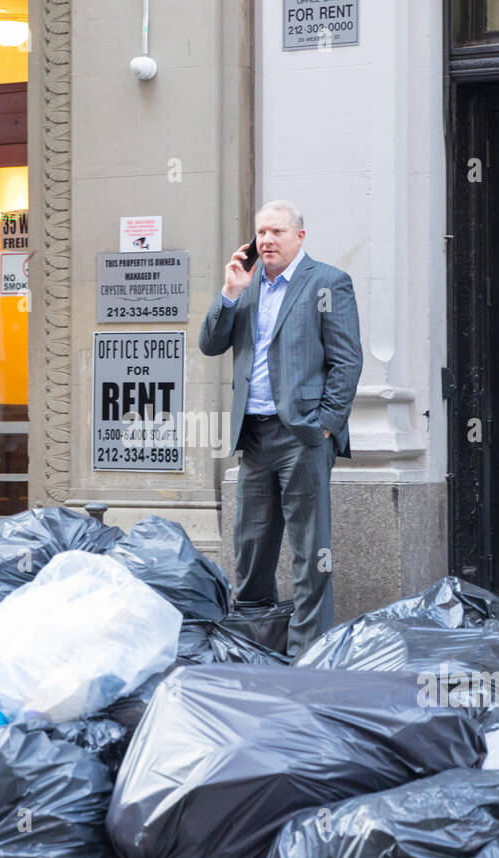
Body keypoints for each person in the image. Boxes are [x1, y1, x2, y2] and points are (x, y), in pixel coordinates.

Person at [199, 200, 362, 654]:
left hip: (303, 436)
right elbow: (210, 343)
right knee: (251, 543)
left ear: (299, 236)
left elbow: (347, 360)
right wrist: (230, 291)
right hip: (253, 434)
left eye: (276, 232)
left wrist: (326, 426)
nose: (266, 241)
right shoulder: (246, 285)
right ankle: (257, 639)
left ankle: (308, 649)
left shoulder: (328, 283)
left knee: (310, 551)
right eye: (261, 234)